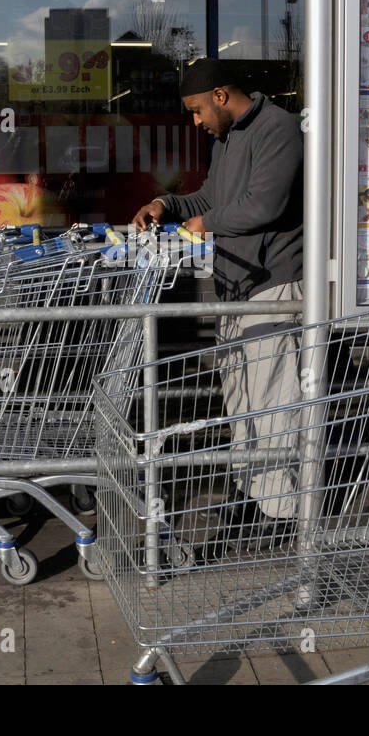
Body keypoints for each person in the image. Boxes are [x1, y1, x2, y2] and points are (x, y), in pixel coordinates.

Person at [132, 58, 304, 522]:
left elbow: (265, 204)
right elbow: (212, 195)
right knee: (238, 394)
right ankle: (251, 490)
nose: (195, 121)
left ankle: (280, 511)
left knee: (273, 396)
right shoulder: (227, 138)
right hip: (232, 281)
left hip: (272, 281)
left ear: (221, 97)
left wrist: (208, 223)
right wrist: (165, 204)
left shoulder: (277, 129)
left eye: (196, 110)